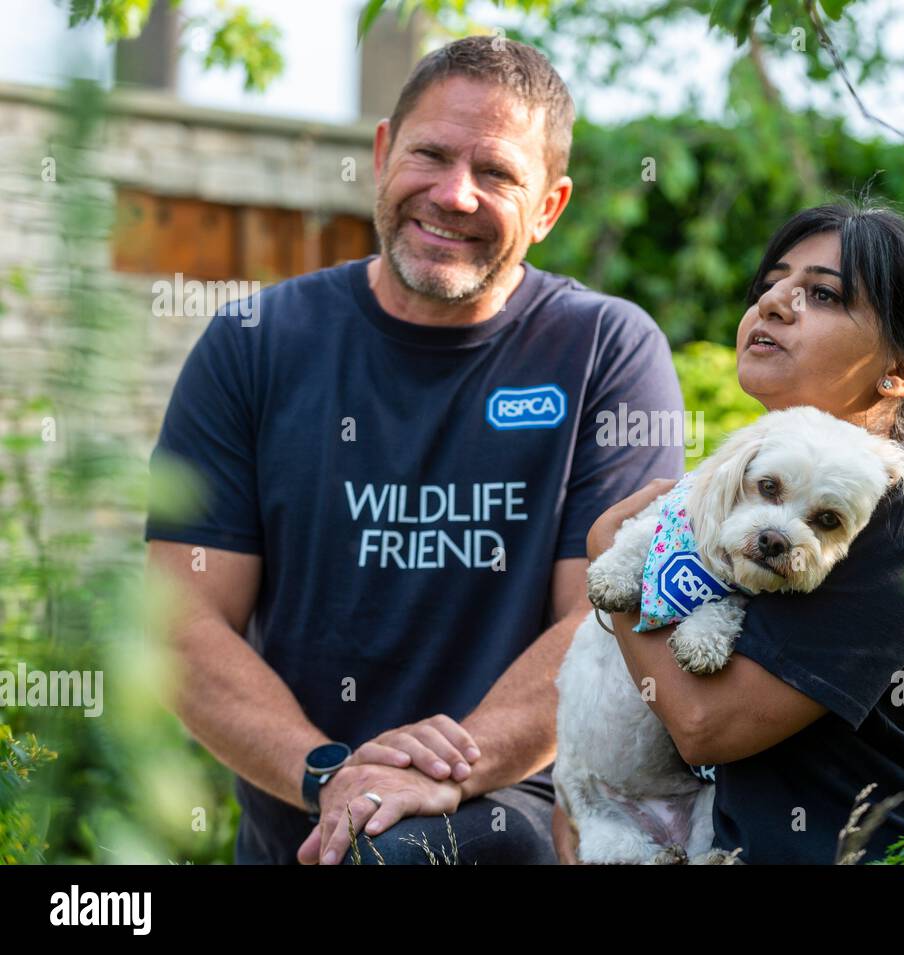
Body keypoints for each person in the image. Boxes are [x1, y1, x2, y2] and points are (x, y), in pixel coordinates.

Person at [145, 35, 684, 865]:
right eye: (428, 154)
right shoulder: (256, 342)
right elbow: (181, 618)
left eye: (497, 173)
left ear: (550, 205)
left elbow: (604, 620)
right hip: (301, 828)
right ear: (382, 153)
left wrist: (446, 770)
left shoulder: (606, 351)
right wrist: (330, 772)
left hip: (513, 815)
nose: (453, 193)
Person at [554, 199, 904, 864]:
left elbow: (707, 723)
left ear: (899, 372)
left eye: (822, 294)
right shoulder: (746, 488)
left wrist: (614, 561)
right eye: (770, 284)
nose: (773, 303)